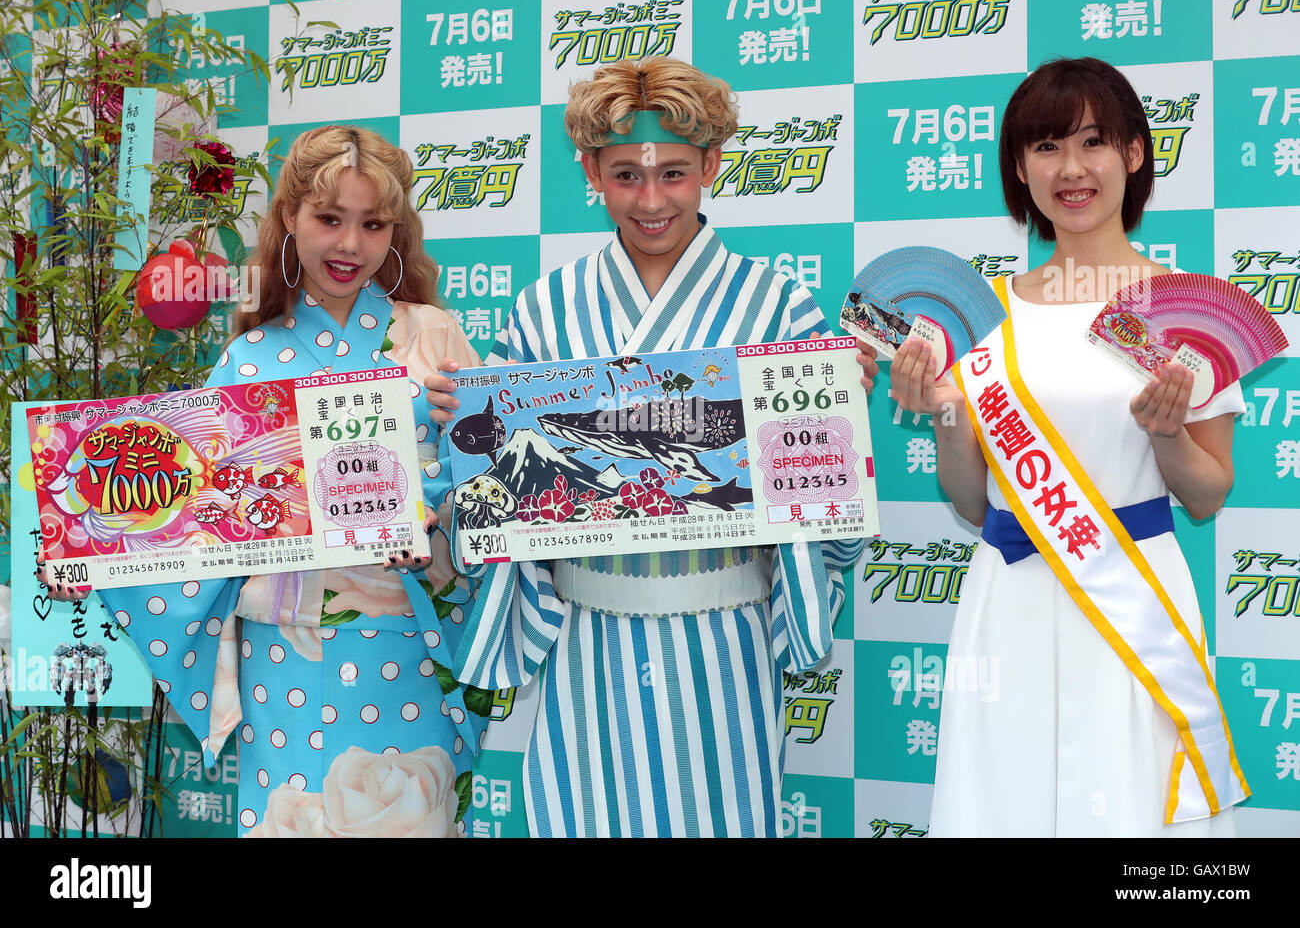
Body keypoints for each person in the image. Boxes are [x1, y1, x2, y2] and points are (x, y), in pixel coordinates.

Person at [426, 56, 879, 837]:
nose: (650, 198)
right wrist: (469, 426)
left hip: (724, 639)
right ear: (592, 172)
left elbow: (826, 506)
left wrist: (830, 421)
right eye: (626, 174)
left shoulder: (779, 306)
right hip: (588, 636)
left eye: (673, 172)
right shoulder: (545, 311)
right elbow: (495, 504)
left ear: (710, 164)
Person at [40, 125, 488, 837]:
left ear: (395, 231)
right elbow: (190, 515)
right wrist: (90, 552)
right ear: (289, 218)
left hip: (404, 648)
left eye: (372, 224)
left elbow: (486, 482)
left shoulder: (432, 334)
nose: (349, 245)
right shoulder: (250, 356)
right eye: (329, 219)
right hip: (282, 653)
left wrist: (441, 498)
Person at [889, 57, 1249, 836]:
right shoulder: (981, 314)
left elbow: (1207, 492)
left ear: (1135, 154)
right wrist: (947, 413)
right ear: (1020, 168)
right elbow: (972, 499)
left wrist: (1166, 435)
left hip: (1134, 604)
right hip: (1009, 597)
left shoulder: (1191, 310)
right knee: (1003, 797)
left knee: (1134, 802)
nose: (1072, 168)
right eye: (1046, 147)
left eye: (1093, 141)